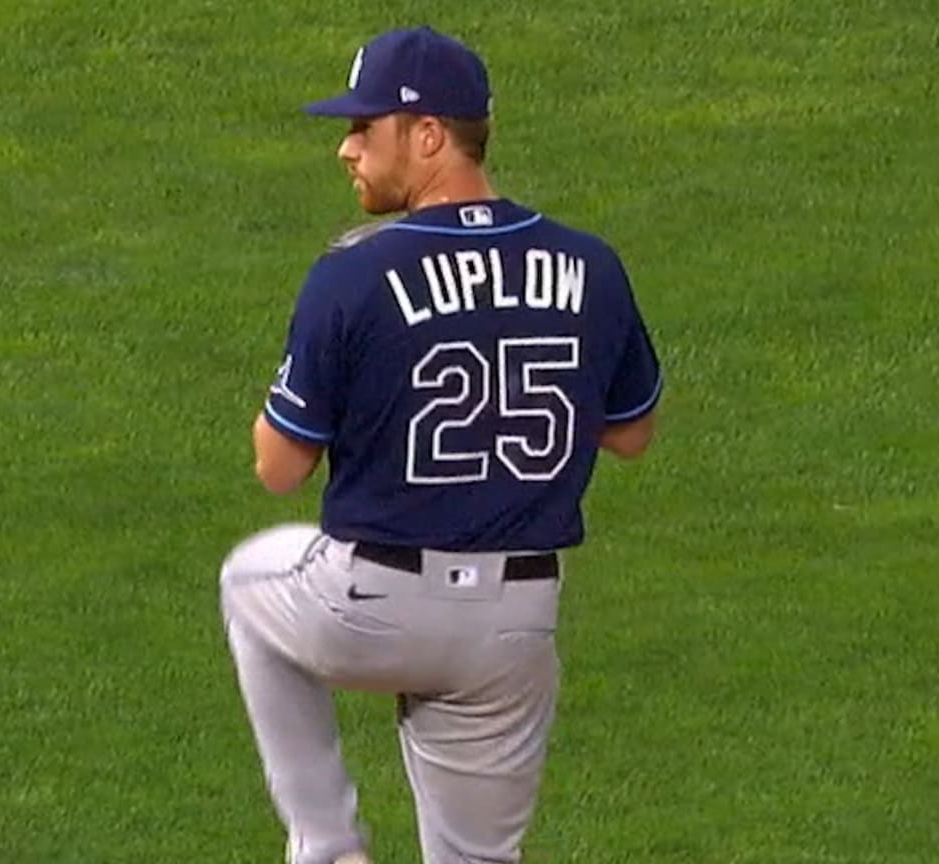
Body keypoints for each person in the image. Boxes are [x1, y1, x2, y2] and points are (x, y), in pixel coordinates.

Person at [218, 25, 663, 864]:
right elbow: (632, 434)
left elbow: (278, 469)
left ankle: (326, 845)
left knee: (247, 581)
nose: (346, 149)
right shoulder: (591, 266)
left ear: (428, 137)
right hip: (514, 630)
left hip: (372, 608)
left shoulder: (354, 275)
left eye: (364, 127)